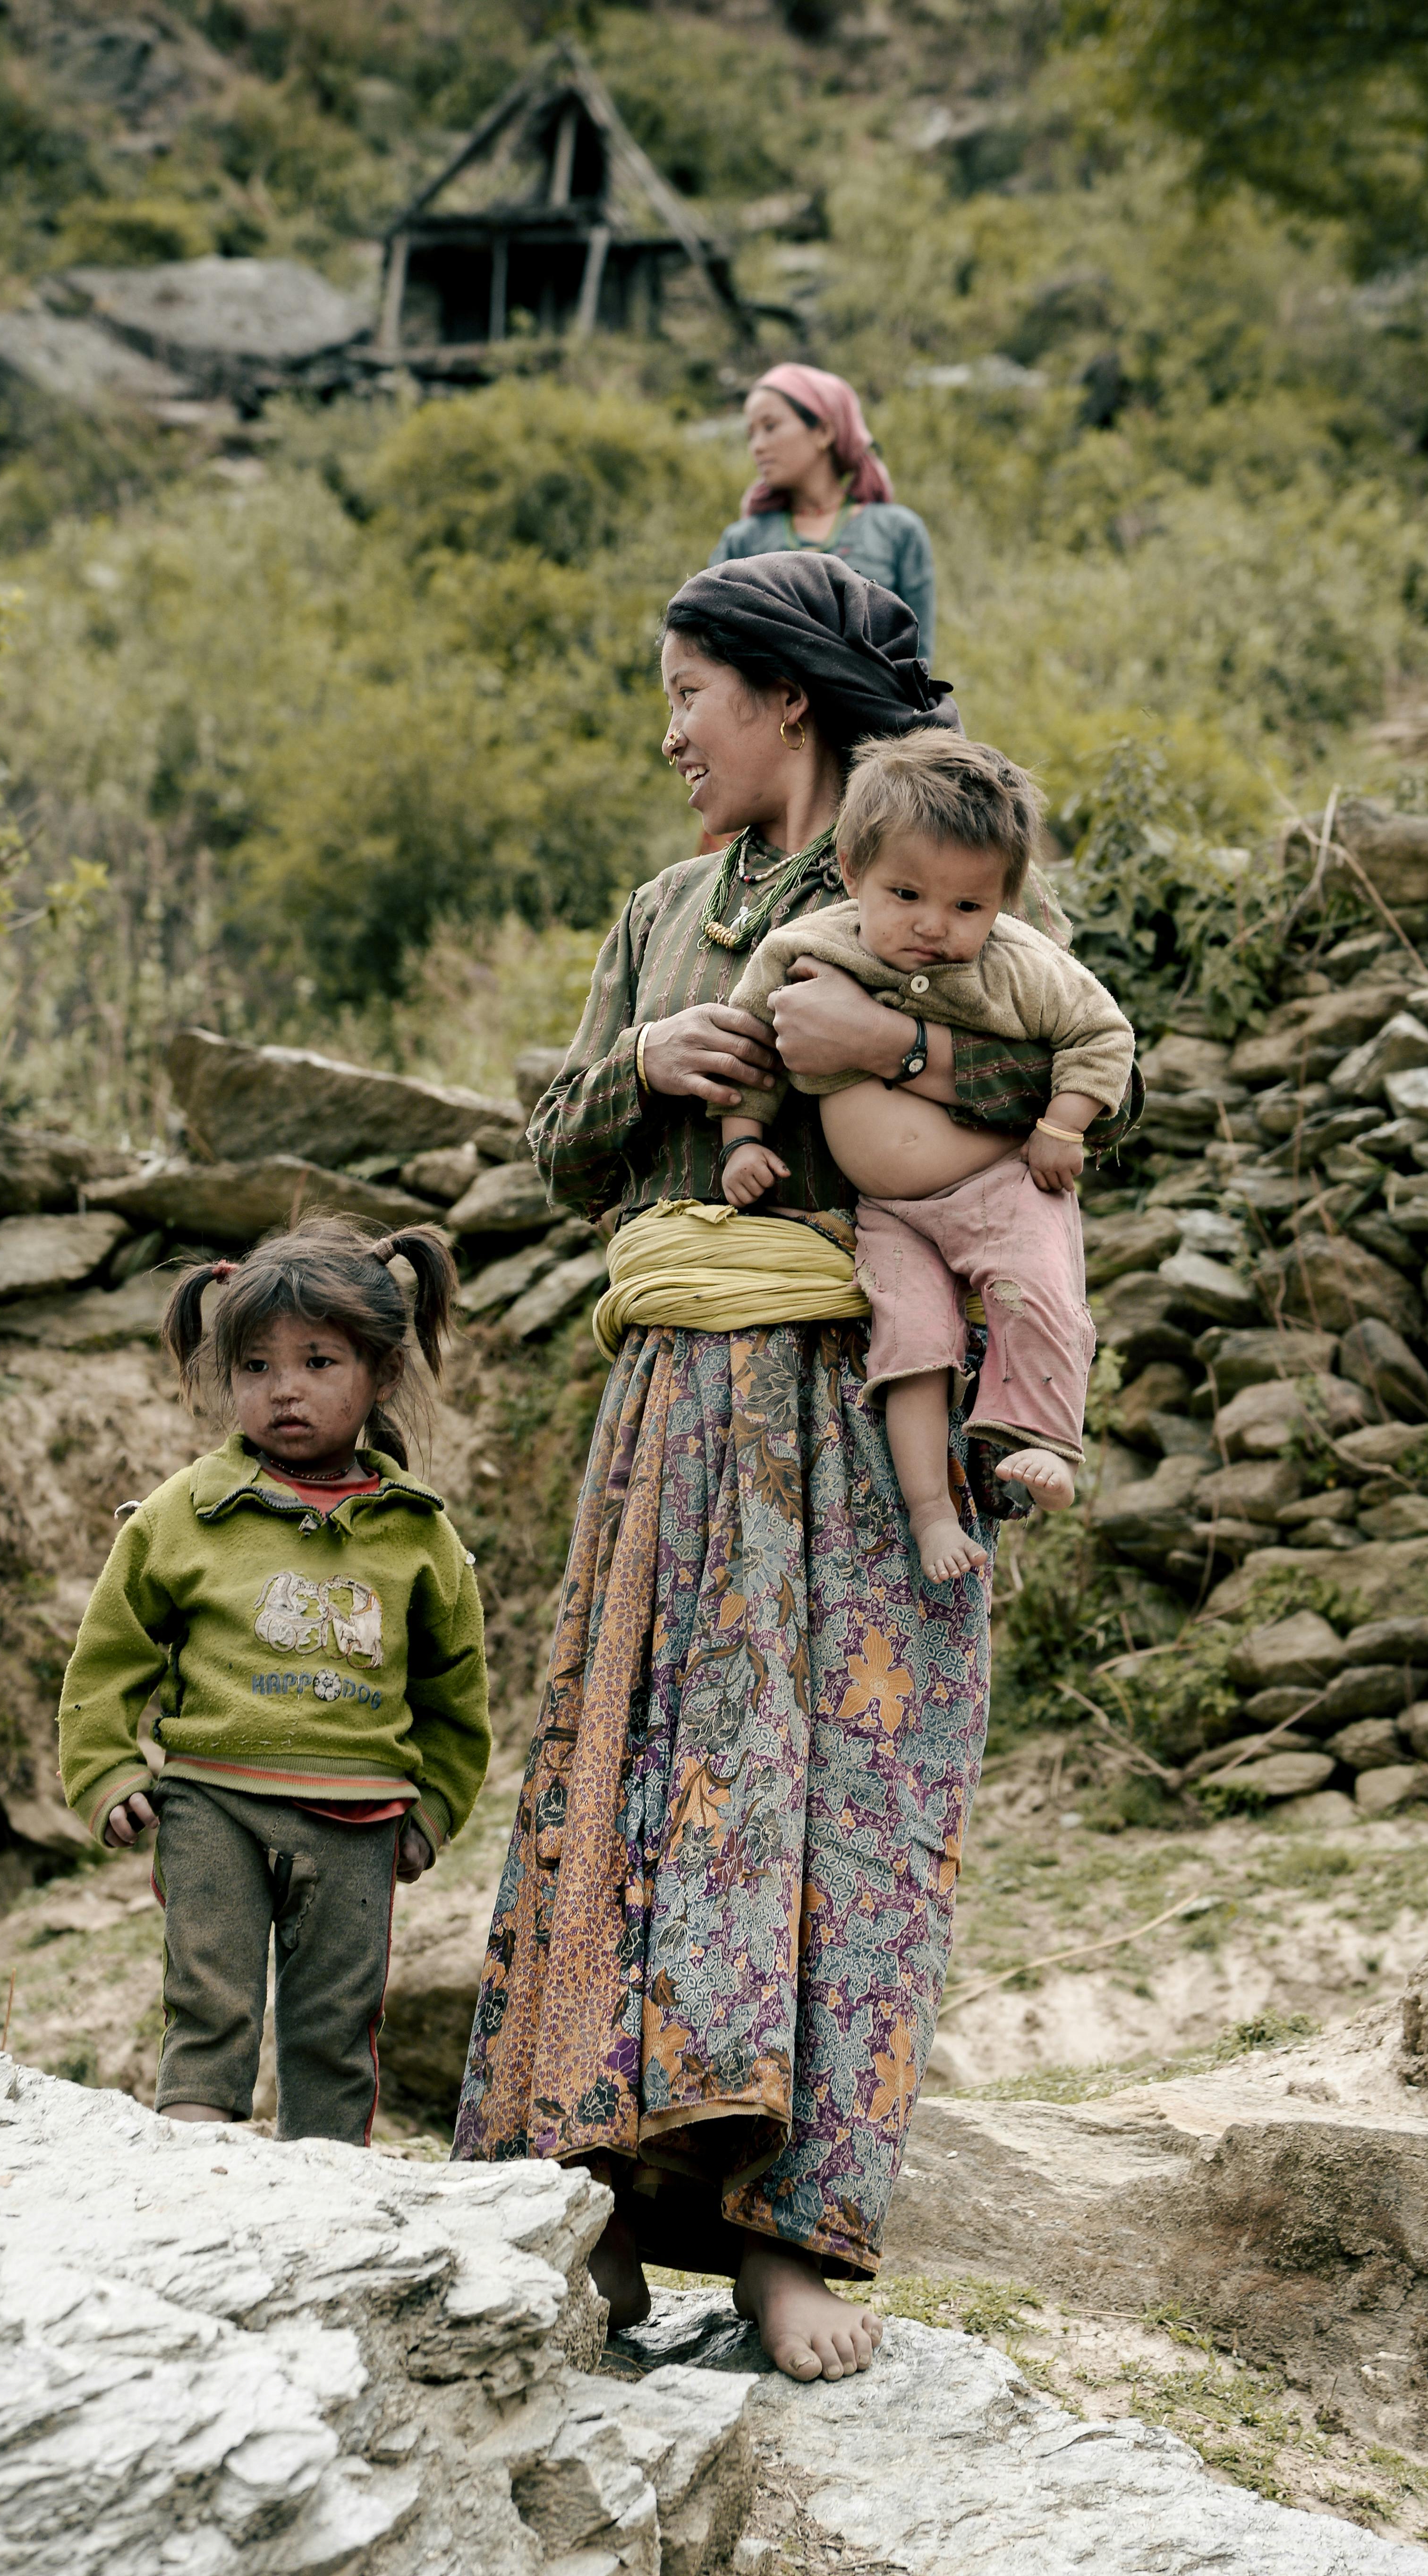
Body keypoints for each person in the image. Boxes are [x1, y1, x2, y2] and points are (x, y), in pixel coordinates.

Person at [452, 550, 1134, 2385]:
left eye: (691, 693)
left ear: (789, 701)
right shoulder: (664, 914)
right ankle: (582, 2210)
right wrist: (641, 1075)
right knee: (631, 1794)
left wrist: (893, 1042)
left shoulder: (944, 896)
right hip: (678, 1409)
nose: (670, 730)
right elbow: (555, 1157)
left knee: (861, 1811)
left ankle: (793, 2240)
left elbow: (1074, 1105)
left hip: (875, 1399)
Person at [57, 1220, 492, 2148]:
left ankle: (325, 2208)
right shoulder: (184, 1514)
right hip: (213, 1801)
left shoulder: (419, 1535)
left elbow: (458, 1701)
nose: (284, 1387)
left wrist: (436, 1808)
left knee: (336, 2032)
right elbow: (109, 1655)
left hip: (359, 1821)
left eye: (319, 1360)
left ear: (380, 1372)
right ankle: (192, 2179)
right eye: (255, 1366)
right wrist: (105, 1772)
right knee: (208, 2010)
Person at [719, 730, 1136, 1583]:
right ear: (850, 868)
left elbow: (1102, 1035)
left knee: (1038, 1293)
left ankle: (1050, 1441)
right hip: (890, 1215)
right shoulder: (809, 951)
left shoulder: (1023, 965)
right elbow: (751, 1045)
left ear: (1005, 901)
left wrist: (1061, 1126)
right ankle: (931, 1512)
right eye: (905, 894)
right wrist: (742, 1140)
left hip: (1003, 1187)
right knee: (910, 1346)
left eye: (967, 908)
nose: (933, 928)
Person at [709, 364, 938, 658]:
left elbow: (919, 660)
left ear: (823, 432)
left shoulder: (898, 531)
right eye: (751, 434)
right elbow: (715, 653)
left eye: (770, 427)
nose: (757, 446)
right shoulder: (742, 542)